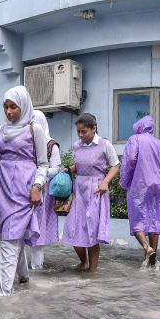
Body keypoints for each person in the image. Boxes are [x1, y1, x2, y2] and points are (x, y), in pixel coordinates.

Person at [0, 86, 49, 296]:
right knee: (12, 234)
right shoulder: (0, 131)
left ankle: (2, 293)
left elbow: (43, 163)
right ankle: (23, 276)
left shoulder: (35, 130)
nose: (8, 112)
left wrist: (37, 187)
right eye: (5, 107)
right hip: (3, 189)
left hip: (25, 190)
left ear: (23, 106)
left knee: (10, 238)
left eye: (13, 107)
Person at [61, 113, 120, 273]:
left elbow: (115, 165)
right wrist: (68, 170)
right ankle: (84, 261)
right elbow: (79, 165)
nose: (81, 135)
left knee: (92, 231)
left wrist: (105, 182)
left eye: (84, 131)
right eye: (78, 131)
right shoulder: (77, 145)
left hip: (96, 191)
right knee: (73, 229)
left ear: (94, 129)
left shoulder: (104, 145)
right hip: (79, 191)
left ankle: (92, 272)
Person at [120, 115, 160, 266]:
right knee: (154, 220)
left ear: (139, 127)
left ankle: (147, 248)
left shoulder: (135, 139)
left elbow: (131, 160)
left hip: (139, 185)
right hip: (157, 187)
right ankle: (151, 257)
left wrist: (123, 181)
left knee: (138, 219)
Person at [27, 110, 63, 270]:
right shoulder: (26, 142)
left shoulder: (51, 146)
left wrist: (39, 171)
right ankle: (19, 267)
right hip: (25, 189)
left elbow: (56, 168)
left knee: (38, 231)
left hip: (42, 192)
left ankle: (36, 266)